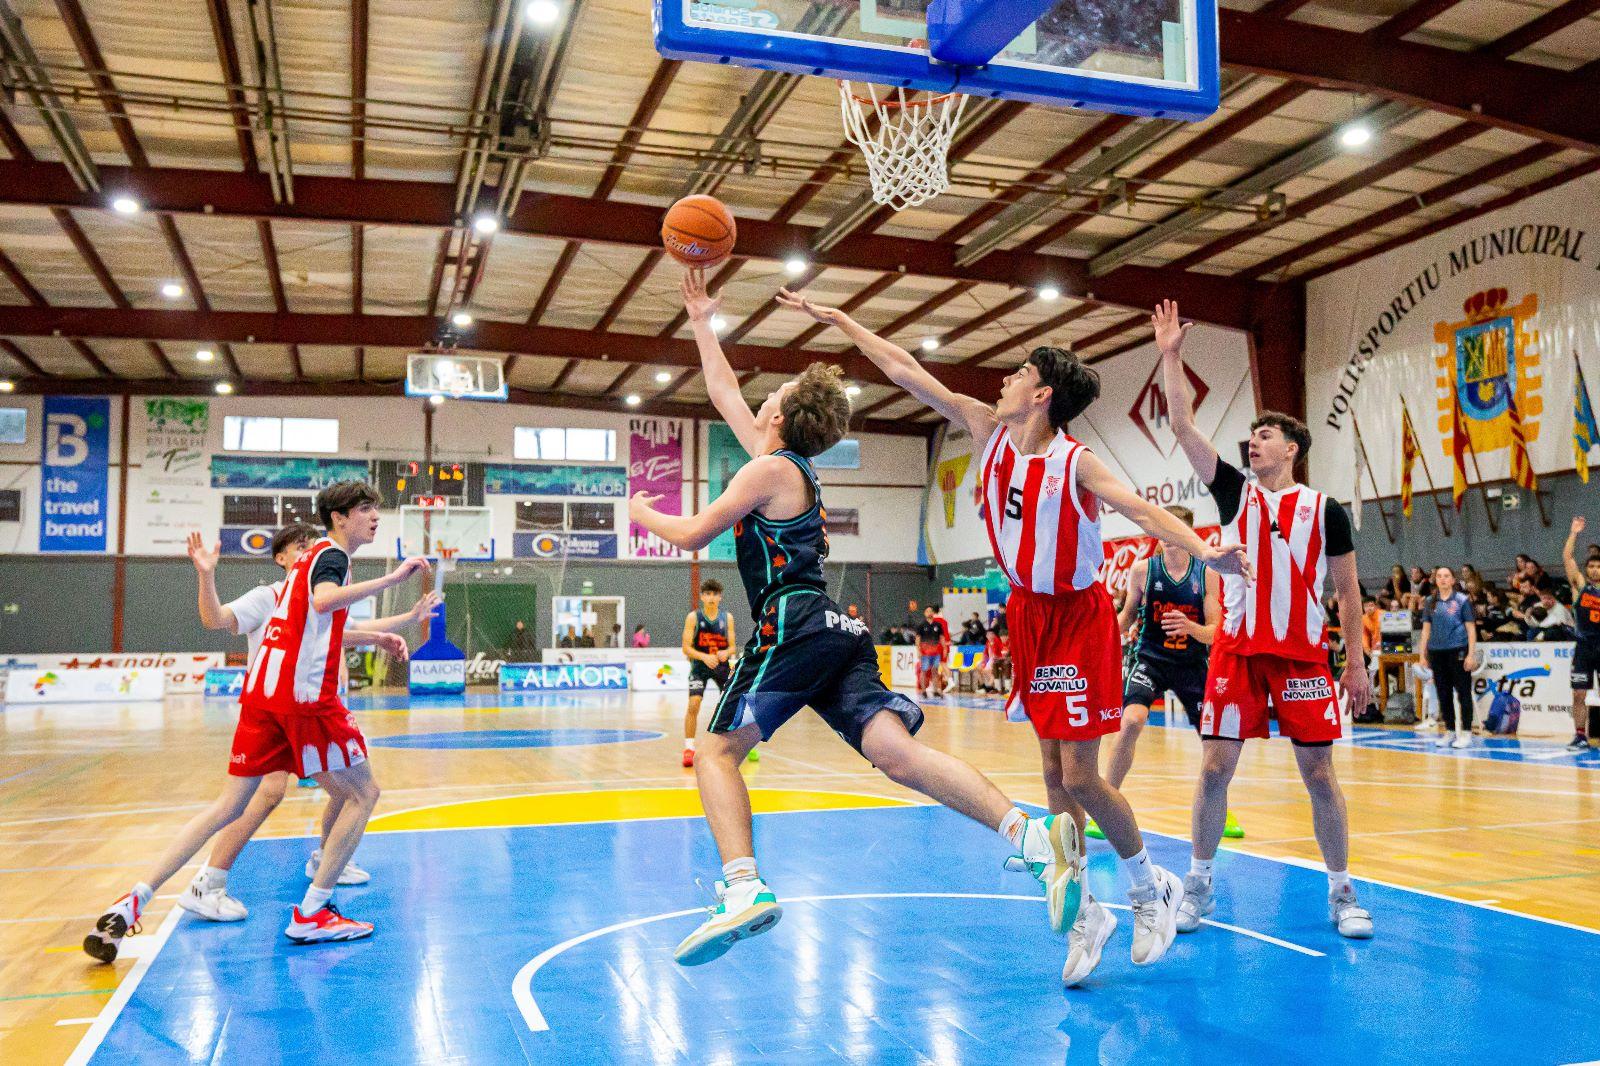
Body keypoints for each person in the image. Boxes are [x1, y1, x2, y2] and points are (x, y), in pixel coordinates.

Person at [777, 284, 1251, 986]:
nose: (1003, 380)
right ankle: (1086, 909)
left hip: (1077, 617)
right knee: (1053, 776)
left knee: (1083, 776)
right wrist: (843, 318)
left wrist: (1206, 550)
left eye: (1020, 373)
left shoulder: (1075, 462)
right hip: (1028, 616)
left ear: (1042, 396)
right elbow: (907, 370)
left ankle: (1153, 888)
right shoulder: (986, 431)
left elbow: (1141, 512)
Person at [632, 269, 1080, 970]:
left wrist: (638, 509)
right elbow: (723, 390)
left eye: (769, 399)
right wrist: (700, 320)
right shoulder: (784, 468)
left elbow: (690, 534)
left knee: (716, 749)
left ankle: (743, 887)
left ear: (779, 417)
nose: (759, 402)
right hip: (837, 630)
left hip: (794, 622)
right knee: (896, 755)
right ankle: (1029, 835)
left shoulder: (769, 470)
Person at [84, 482, 429, 961]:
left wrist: (379, 636)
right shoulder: (330, 558)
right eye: (365, 509)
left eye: (376, 508)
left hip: (262, 699)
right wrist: (393, 581)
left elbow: (320, 622)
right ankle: (314, 910)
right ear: (338, 518)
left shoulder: (299, 572)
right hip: (302, 699)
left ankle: (134, 898)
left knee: (232, 805)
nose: (375, 516)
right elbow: (327, 602)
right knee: (363, 792)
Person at [1154, 299, 1374, 941]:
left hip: (1303, 656)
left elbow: (1348, 589)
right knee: (1215, 767)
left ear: (1294, 448)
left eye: (1265, 435)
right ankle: (1197, 884)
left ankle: (1342, 892)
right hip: (1237, 653)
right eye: (1251, 435)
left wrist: (1355, 664)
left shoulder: (1326, 509)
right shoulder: (1232, 491)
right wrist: (1171, 354)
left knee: (1320, 774)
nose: (1253, 441)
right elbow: (1180, 422)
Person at [177, 525, 438, 922]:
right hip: (273, 710)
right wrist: (205, 575)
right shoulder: (268, 597)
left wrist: (398, 624)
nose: (312, 551)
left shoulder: (311, 590)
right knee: (265, 795)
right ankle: (210, 880)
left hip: (306, 707)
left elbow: (342, 633)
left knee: (342, 786)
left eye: (313, 545)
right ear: (281, 558)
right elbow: (214, 618)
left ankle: (323, 860)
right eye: (302, 547)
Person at [1100, 506, 1242, 840]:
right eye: (1164, 531)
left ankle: (1222, 806)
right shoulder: (1142, 570)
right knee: (1132, 720)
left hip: (1191, 664)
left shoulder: (1206, 572)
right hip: (1150, 659)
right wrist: (1100, 638)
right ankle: (1105, 801)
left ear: (1190, 535)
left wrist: (1190, 627)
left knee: (1213, 739)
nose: (1170, 538)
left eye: (1176, 531)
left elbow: (1215, 631)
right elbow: (1126, 618)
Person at [1417, 566, 1479, 749]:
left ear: (1453, 580)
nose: (1443, 579)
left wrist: (1471, 654)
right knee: (1443, 693)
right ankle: (1450, 730)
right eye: (1439, 576)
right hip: (1437, 652)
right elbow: (1425, 630)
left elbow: (1471, 629)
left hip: (1458, 650)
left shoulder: (1462, 600)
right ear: (1435, 580)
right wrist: (1422, 654)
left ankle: (1466, 732)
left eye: (1446, 576)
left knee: (1463, 692)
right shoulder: (1430, 602)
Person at [681, 579, 739, 768]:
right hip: (700, 666)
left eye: (715, 594)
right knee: (694, 704)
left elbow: (732, 647)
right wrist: (704, 657)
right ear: (702, 597)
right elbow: (686, 648)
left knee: (736, 705)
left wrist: (726, 652)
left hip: (721, 666)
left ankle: (742, 744)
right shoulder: (693, 617)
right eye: (708, 594)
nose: (711, 597)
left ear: (720, 597)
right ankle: (689, 747)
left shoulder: (727, 618)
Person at [1562, 516, 1599, 752]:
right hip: (1584, 648)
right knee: (1578, 694)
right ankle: (1579, 736)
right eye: (1592, 566)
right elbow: (1568, 558)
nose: (1595, 570)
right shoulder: (1580, 586)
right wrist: (1574, 532)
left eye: (1599, 566)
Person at [914, 605, 951, 699]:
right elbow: (917, 639)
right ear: (924, 613)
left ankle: (935, 690)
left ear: (933, 613)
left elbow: (942, 638)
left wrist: (945, 649)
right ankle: (923, 690)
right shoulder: (921, 625)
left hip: (936, 652)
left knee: (935, 671)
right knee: (924, 671)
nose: (929, 613)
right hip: (925, 653)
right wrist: (918, 651)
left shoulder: (938, 625)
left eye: (930, 611)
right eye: (927, 611)